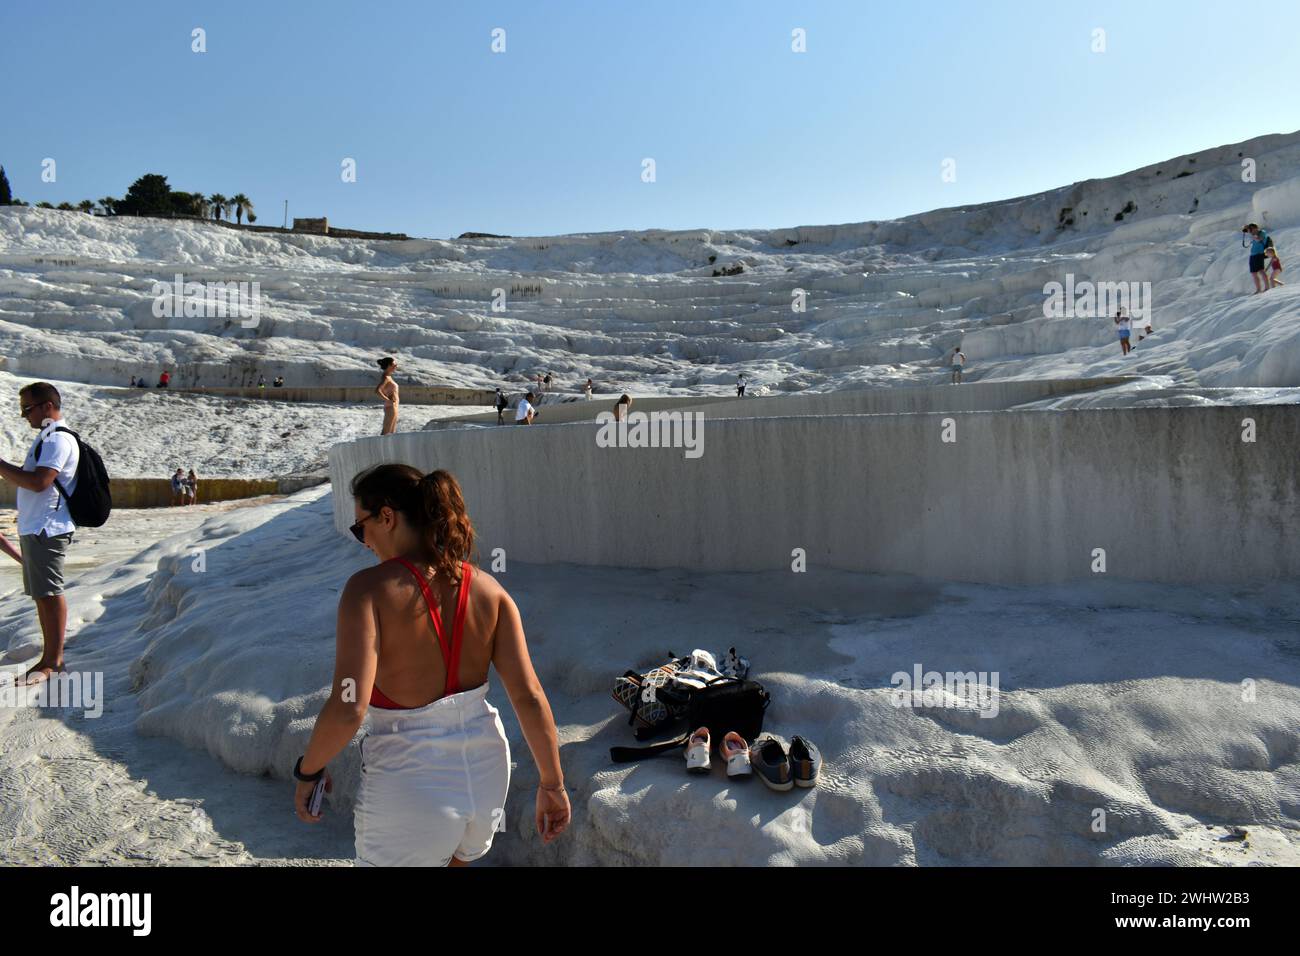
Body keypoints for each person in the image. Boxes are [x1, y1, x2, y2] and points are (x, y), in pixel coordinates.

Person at [293, 464, 569, 866]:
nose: (363, 541)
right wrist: (553, 784)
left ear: (386, 517)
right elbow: (528, 695)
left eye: (360, 528)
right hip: (486, 774)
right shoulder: (490, 590)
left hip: (411, 782)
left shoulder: (367, 590)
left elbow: (349, 706)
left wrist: (308, 771)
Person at [0, 382, 80, 685]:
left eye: (27, 409)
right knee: (42, 594)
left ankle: (53, 662)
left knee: (49, 593)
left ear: (48, 406)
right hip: (38, 526)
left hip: (48, 527)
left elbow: (39, 482)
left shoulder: (58, 439)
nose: (24, 416)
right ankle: (50, 658)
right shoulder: (47, 438)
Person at [1243, 224, 1273, 294]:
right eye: (1250, 229)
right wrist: (1246, 230)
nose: (1251, 231)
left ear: (1256, 228)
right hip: (1253, 255)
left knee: (1261, 271)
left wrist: (1253, 235)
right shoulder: (1254, 234)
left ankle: (1267, 287)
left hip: (1259, 254)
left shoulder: (1262, 232)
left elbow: (1259, 239)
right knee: (1253, 273)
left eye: (1252, 229)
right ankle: (1258, 289)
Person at [376, 357, 399, 436]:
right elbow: (377, 390)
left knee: (391, 432)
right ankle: (378, 448)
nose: (396, 366)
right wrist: (387, 400)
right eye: (394, 364)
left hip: (394, 406)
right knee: (386, 432)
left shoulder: (389, 377)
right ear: (389, 365)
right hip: (390, 407)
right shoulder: (386, 377)